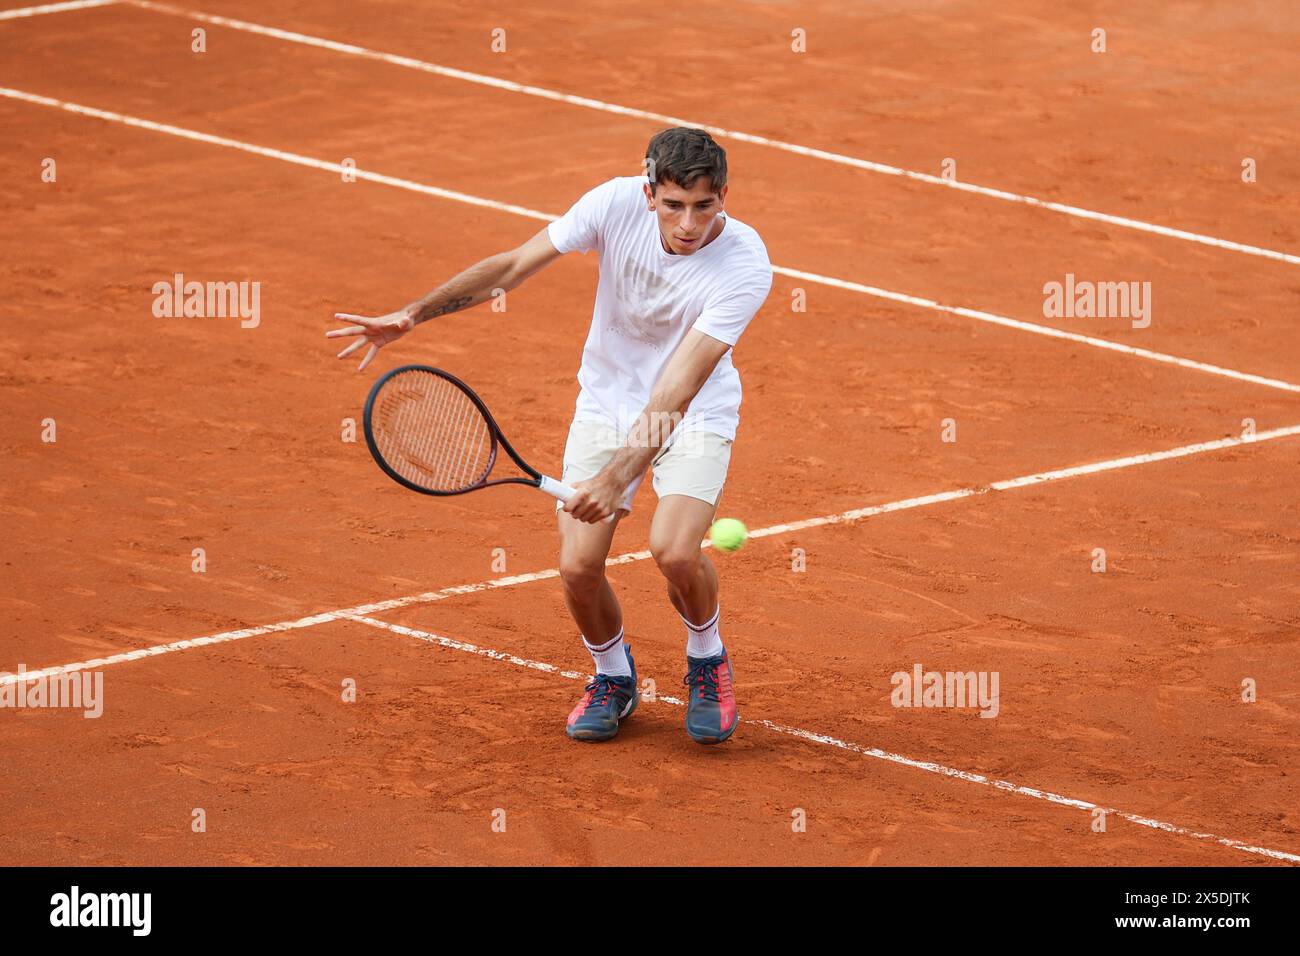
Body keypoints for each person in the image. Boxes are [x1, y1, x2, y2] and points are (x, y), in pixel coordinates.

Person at [328, 127, 773, 745]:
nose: (689, 222)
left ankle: (706, 656)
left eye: (704, 205)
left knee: (673, 550)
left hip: (693, 414)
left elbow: (678, 387)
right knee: (578, 568)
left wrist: (617, 477)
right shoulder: (613, 204)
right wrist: (413, 313)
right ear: (649, 195)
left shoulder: (746, 265)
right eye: (674, 204)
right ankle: (613, 677)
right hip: (605, 404)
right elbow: (512, 266)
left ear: (724, 195)